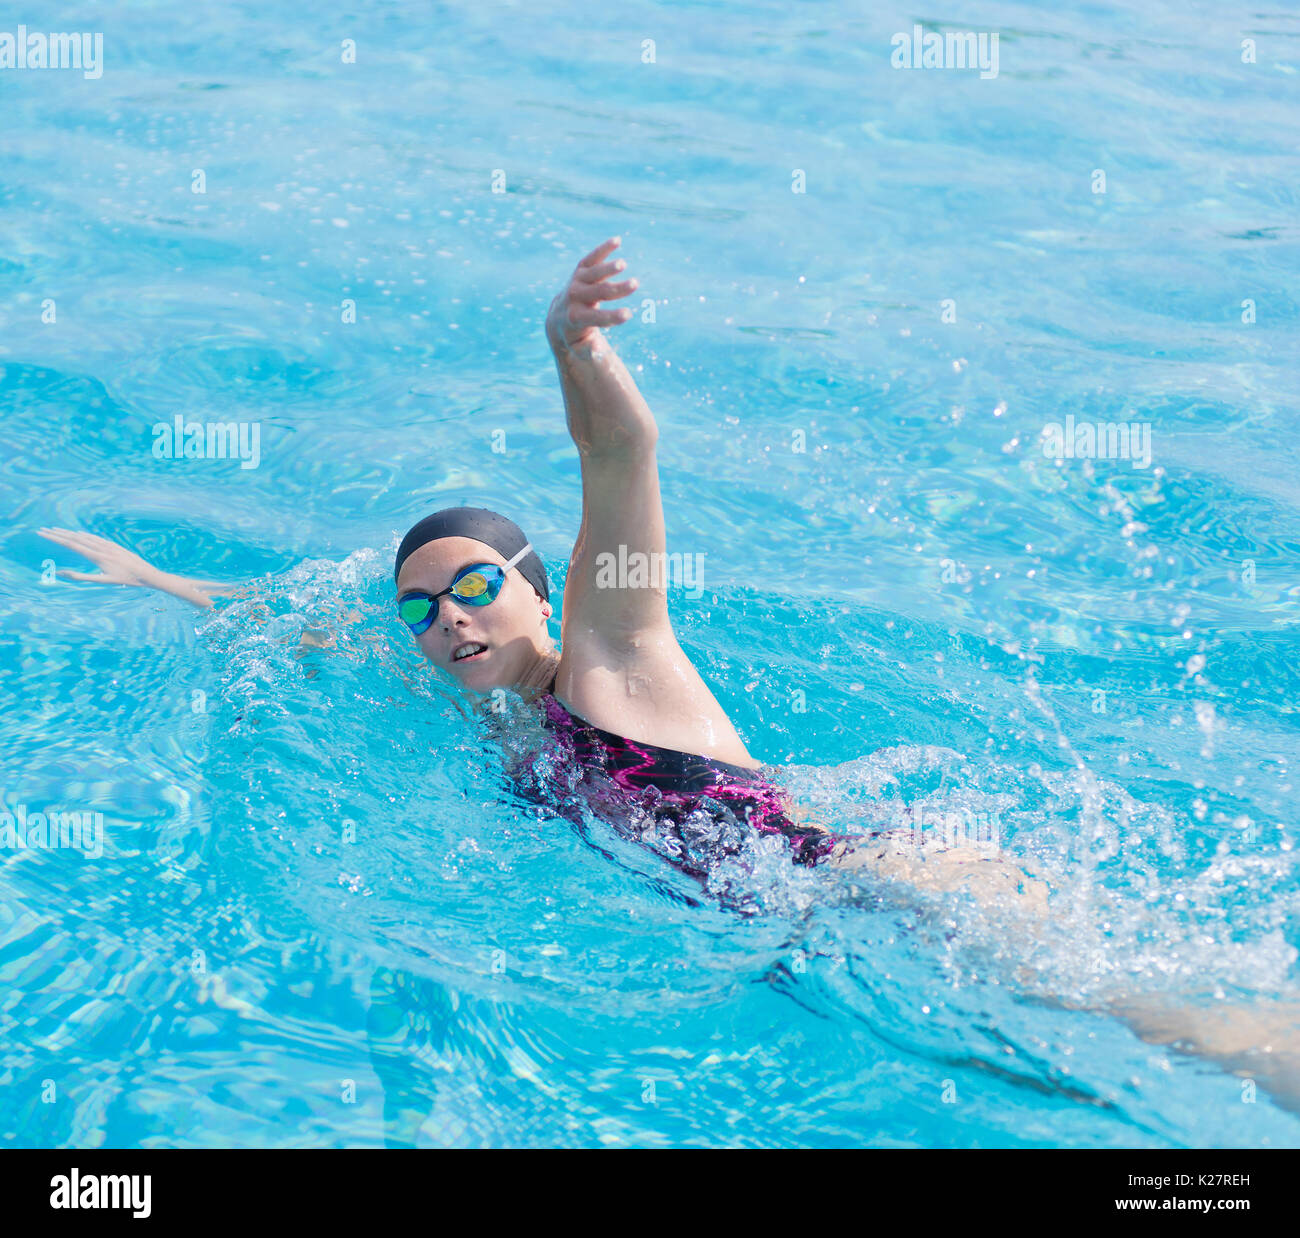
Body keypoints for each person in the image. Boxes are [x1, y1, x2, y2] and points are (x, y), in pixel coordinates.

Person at [38, 239, 1300, 1114]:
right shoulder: (461, 683)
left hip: (889, 880)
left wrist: (574, 349)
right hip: (801, 924)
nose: (445, 617)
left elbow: (623, 455)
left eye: (475, 583)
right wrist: (157, 583)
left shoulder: (611, 648)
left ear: (538, 586)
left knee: (1172, 1018)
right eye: (421, 604)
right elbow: (302, 617)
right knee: (1084, 1085)